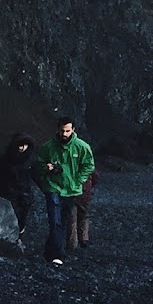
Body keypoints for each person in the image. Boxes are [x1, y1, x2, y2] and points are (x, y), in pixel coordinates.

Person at [31, 114, 94, 266]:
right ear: (57, 130)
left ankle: (50, 249)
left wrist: (78, 180)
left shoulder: (82, 147)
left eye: (67, 131)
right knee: (55, 220)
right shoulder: (48, 147)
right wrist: (46, 168)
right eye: (62, 131)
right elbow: (38, 164)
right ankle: (57, 254)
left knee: (63, 221)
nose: (64, 134)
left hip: (71, 190)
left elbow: (89, 165)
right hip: (53, 187)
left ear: (73, 130)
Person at [0, 134, 36, 236]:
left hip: (24, 194)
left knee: (21, 218)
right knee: (10, 217)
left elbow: (36, 175)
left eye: (25, 145)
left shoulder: (29, 160)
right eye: (20, 145)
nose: (22, 148)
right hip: (8, 194)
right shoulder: (5, 160)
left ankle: (19, 235)